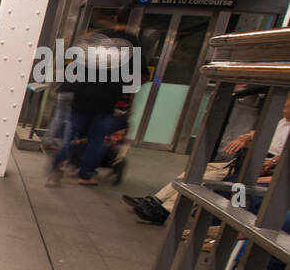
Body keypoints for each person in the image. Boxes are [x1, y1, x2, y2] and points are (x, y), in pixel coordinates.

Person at [125, 93, 290, 223]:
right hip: (250, 160)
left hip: (269, 166)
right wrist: (246, 137)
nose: (284, 107)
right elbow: (259, 132)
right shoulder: (282, 122)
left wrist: (273, 161)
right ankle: (156, 201)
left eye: (287, 104)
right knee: (195, 172)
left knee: (204, 180)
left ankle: (164, 211)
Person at [46, 13, 140, 188]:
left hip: (81, 96)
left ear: (115, 18)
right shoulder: (131, 42)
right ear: (131, 22)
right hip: (107, 100)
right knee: (97, 140)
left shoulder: (94, 39)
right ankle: (86, 175)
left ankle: (56, 170)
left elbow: (74, 67)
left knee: (71, 136)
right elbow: (138, 76)